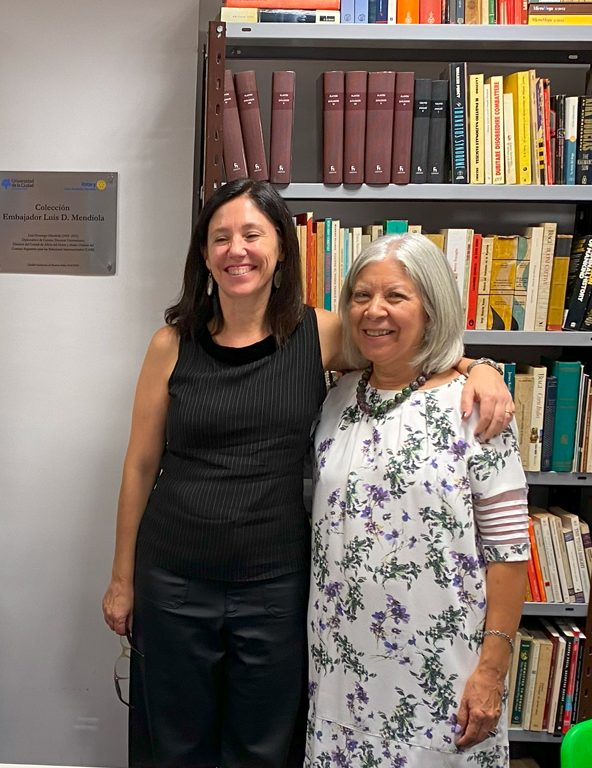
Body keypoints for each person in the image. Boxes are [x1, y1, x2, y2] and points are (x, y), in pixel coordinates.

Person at [101, 179, 513, 768]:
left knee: (263, 747)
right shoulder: (172, 344)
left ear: (280, 250)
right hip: (172, 578)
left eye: (251, 234)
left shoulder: (318, 335)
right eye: (220, 237)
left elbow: (404, 342)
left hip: (276, 585)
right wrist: (122, 579)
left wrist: (481, 366)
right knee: (172, 744)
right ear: (203, 254)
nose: (235, 250)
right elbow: (140, 465)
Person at [307, 233, 529, 768]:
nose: (373, 311)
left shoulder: (476, 408)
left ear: (432, 307)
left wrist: (492, 671)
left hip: (440, 671)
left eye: (396, 296)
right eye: (361, 296)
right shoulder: (336, 398)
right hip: (339, 672)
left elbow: (509, 550)